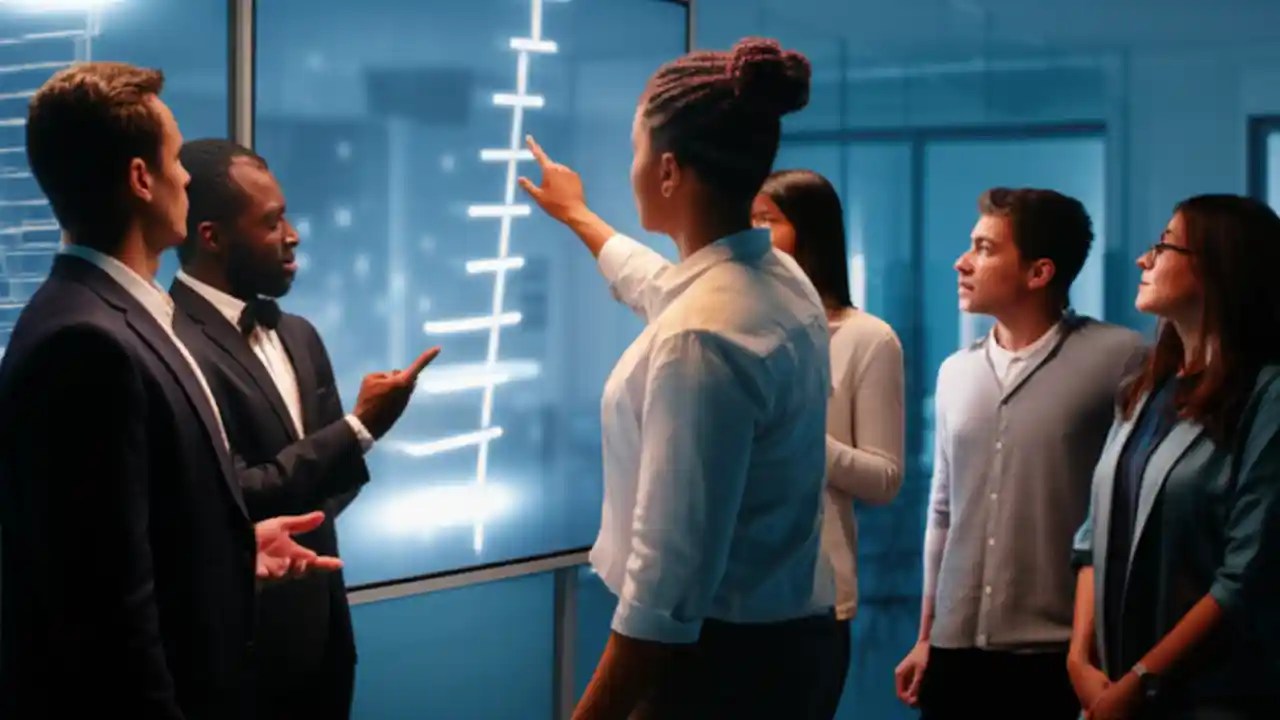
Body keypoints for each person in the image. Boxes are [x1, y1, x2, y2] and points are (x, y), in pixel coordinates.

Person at [0, 62, 390, 719]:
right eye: (175, 159)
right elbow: (106, 615)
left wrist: (233, 552)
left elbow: (142, 538)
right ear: (141, 180)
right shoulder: (84, 341)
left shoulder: (111, 318)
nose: (187, 176)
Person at [519, 37, 843, 720]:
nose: (630, 167)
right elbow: (665, 288)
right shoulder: (775, 278)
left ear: (667, 171)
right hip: (785, 647)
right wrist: (578, 215)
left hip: (714, 672)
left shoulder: (702, 339)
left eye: (635, 150)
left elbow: (666, 587)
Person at [171, 138, 437, 720]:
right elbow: (228, 499)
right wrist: (358, 429)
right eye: (271, 222)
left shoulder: (300, 334)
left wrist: (347, 441)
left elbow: (335, 482)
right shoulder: (168, 345)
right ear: (212, 236)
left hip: (322, 641)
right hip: (235, 655)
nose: (292, 234)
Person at [893, 188, 1146, 719]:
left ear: (1039, 272)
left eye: (984, 249)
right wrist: (926, 635)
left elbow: (1131, 514)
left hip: (1057, 652)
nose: (963, 262)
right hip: (955, 651)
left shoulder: (1121, 359)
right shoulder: (954, 372)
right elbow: (942, 513)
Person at [1069, 195, 1280, 720]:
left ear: (1218, 267)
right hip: (1113, 683)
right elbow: (1095, 535)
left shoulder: (1266, 395)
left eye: (1164, 245)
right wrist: (1078, 659)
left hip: (1214, 696)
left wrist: (1141, 681)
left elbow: (1244, 574)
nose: (1145, 259)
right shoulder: (1146, 386)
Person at [752, 168, 905, 711]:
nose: (751, 234)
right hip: (730, 598)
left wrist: (797, 434)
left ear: (810, 233)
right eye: (745, 221)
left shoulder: (867, 338)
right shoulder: (741, 328)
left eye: (766, 221)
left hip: (814, 602)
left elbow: (884, 479)